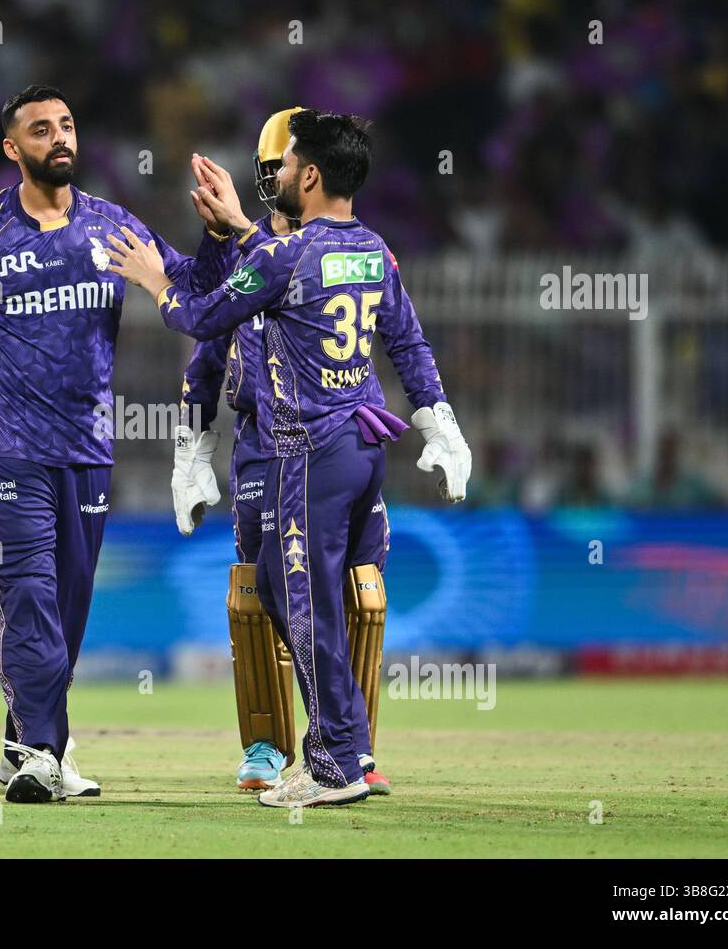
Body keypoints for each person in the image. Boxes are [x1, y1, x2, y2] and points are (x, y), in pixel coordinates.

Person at [108, 109, 471, 807]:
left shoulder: (283, 254)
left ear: (308, 173)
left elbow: (200, 318)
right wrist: (443, 430)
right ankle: (334, 746)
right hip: (361, 443)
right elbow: (410, 345)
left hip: (306, 450)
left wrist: (156, 280)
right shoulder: (371, 248)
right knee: (279, 589)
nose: (273, 178)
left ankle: (339, 759)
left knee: (309, 604)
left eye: (285, 165)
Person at [0, 84, 230, 803]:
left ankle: (19, 745)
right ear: (13, 149)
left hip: (87, 450)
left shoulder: (110, 226)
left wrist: (222, 235)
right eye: (41, 130)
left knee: (66, 609)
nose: (59, 138)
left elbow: (193, 292)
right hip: (4, 447)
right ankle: (45, 751)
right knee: (30, 594)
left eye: (66, 125)